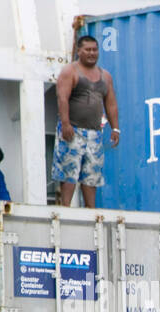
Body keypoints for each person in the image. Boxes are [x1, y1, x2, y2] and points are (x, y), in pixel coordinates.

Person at [53, 35, 119, 208]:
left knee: (92, 173)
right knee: (69, 171)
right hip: (72, 129)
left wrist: (115, 128)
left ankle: (91, 209)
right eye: (88, 50)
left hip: (94, 132)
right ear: (79, 51)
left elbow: (110, 103)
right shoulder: (70, 71)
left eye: (95, 49)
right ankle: (65, 208)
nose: (92, 53)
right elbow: (62, 98)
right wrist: (66, 124)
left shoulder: (105, 76)